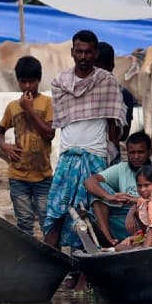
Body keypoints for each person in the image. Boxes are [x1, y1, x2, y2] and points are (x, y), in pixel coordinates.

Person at [42, 29, 127, 249]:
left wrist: (111, 158)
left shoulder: (107, 82)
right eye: (79, 51)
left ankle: (84, 274)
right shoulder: (60, 82)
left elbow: (113, 124)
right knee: (56, 213)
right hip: (67, 157)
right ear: (72, 52)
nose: (83, 57)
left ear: (95, 53)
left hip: (96, 158)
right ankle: (52, 269)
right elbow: (61, 120)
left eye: (88, 52)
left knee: (92, 216)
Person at [0, 56, 55, 236]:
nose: (28, 86)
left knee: (47, 221)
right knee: (24, 221)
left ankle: (49, 257)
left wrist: (29, 109)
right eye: (24, 82)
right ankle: (28, 257)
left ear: (39, 80)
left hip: (43, 176)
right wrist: (4, 146)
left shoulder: (47, 103)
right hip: (18, 176)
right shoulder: (12, 107)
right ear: (18, 82)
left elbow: (49, 133)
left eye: (32, 81)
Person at [82, 131, 152, 246]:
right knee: (97, 191)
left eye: (140, 152)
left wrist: (134, 204)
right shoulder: (121, 168)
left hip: (148, 217)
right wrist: (109, 197)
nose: (136, 157)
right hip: (122, 217)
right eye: (132, 153)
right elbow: (89, 181)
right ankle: (106, 238)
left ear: (150, 152)